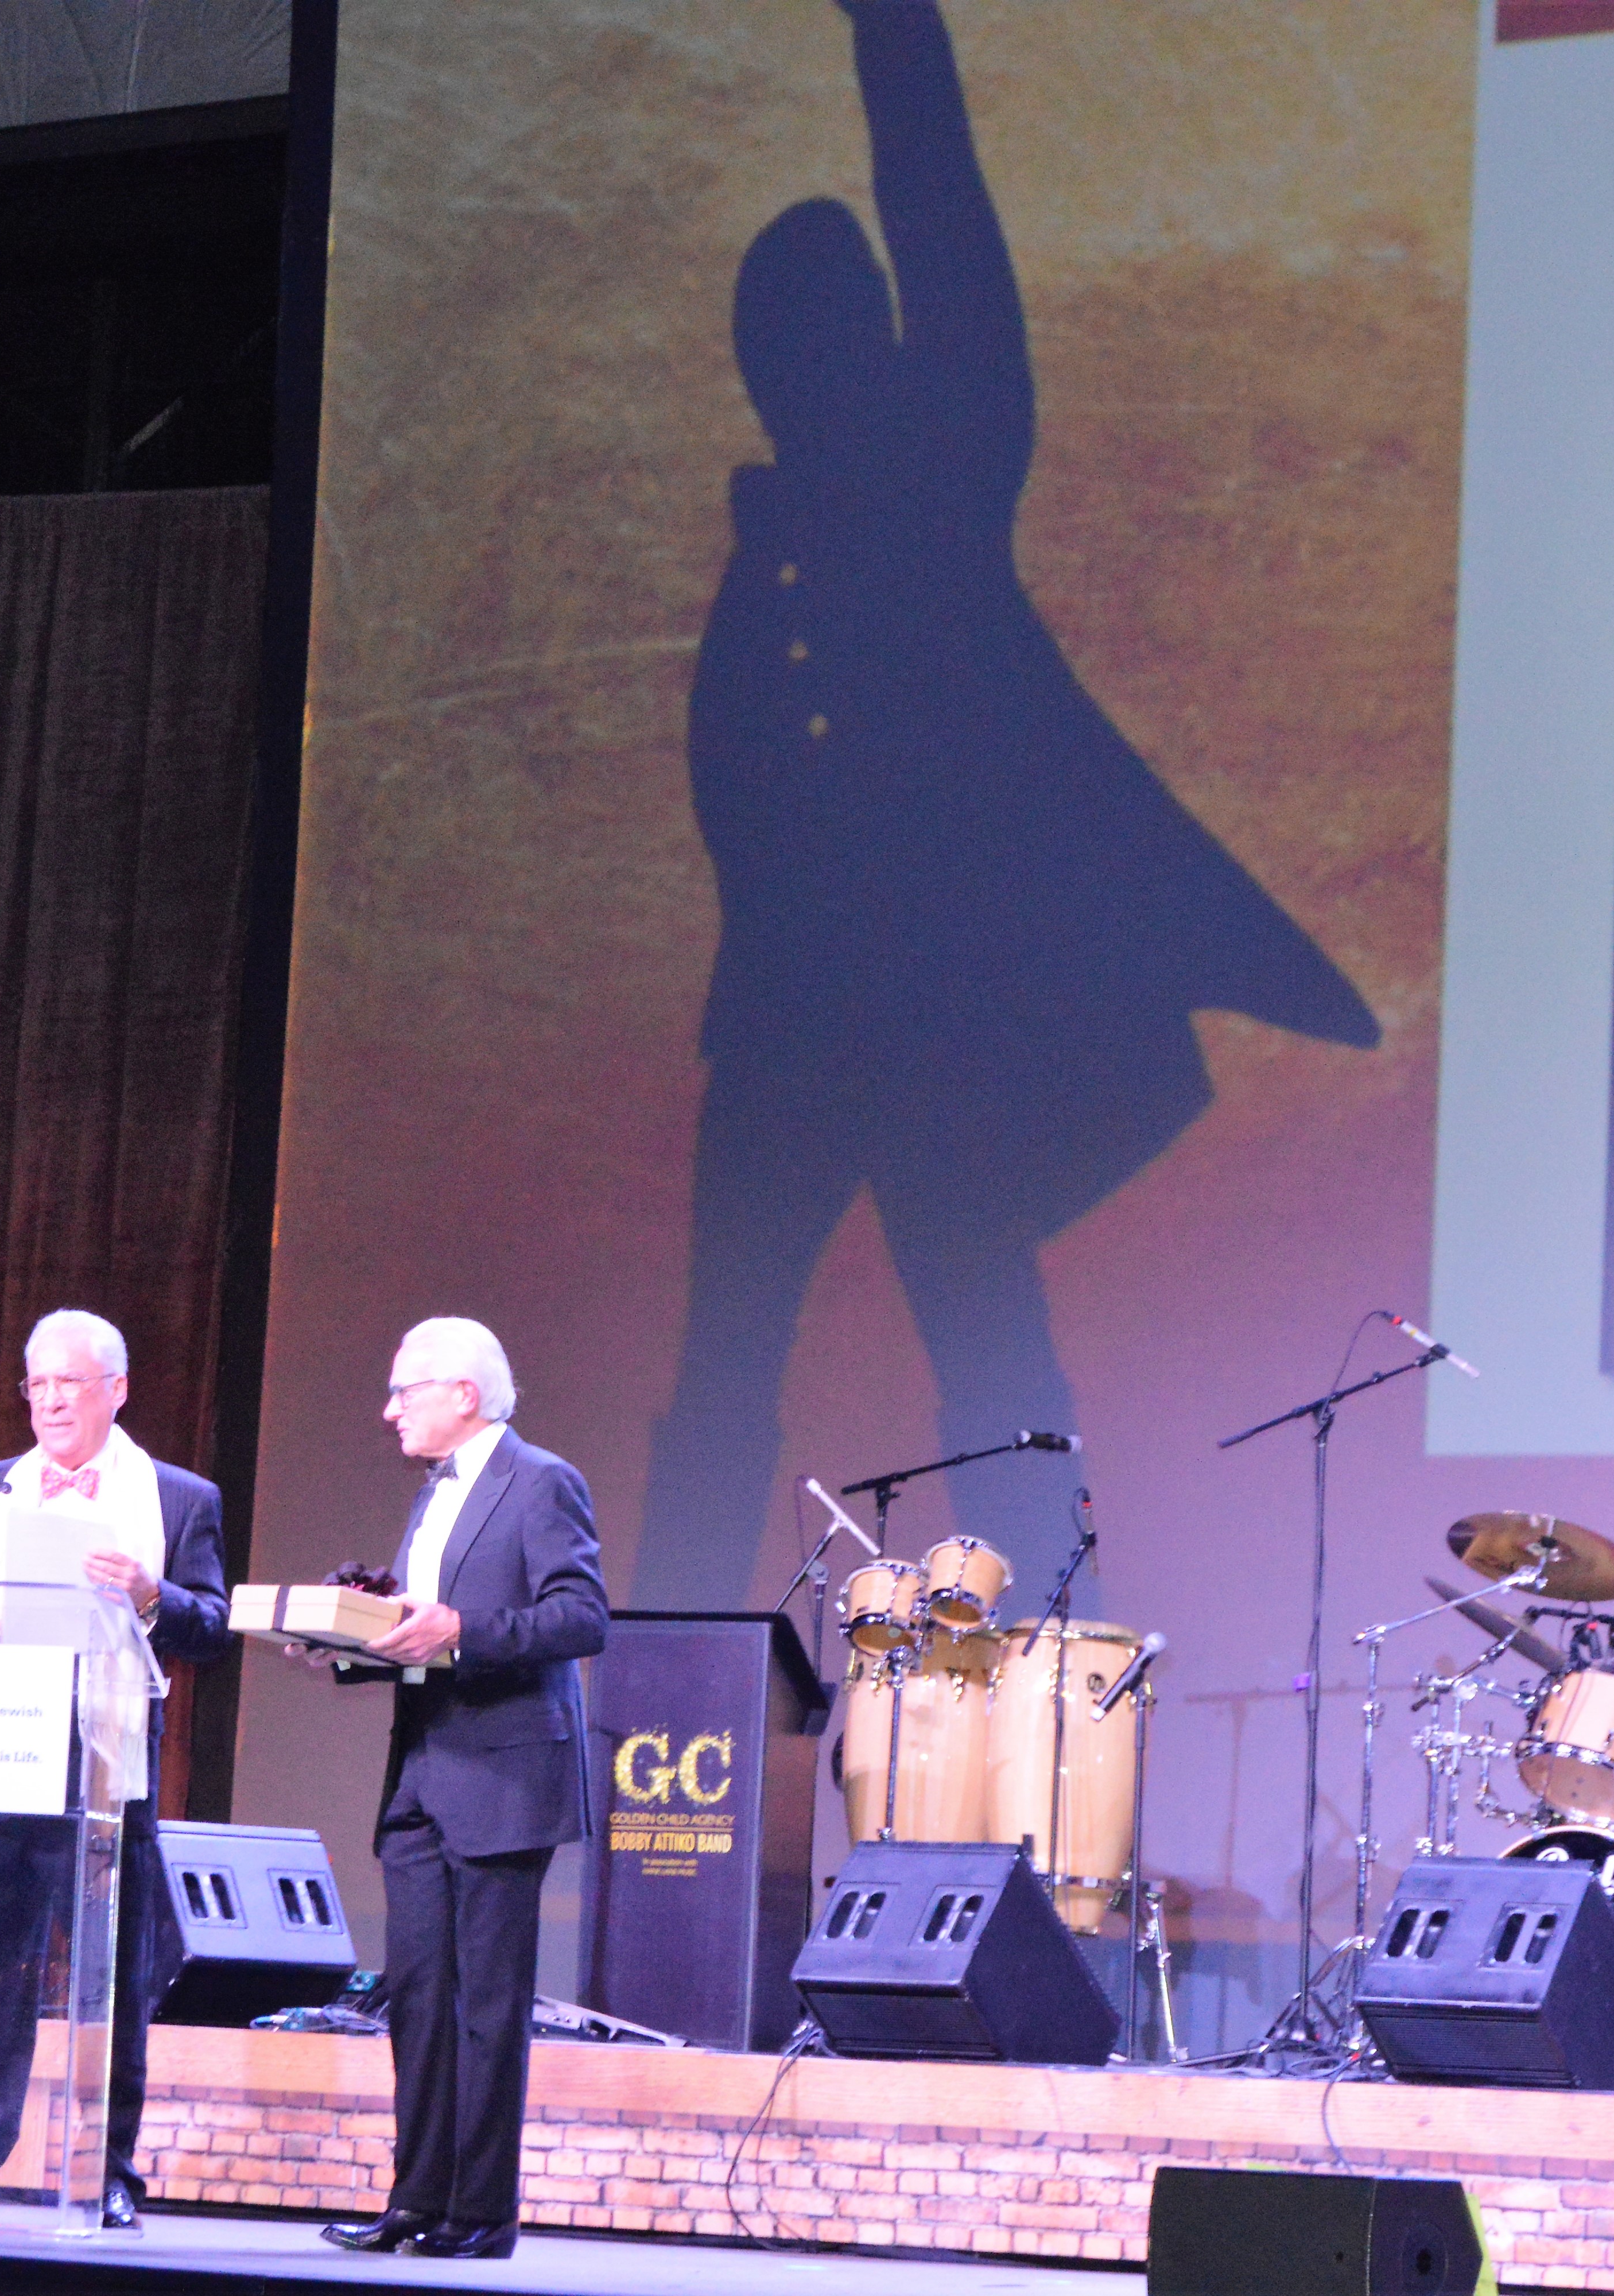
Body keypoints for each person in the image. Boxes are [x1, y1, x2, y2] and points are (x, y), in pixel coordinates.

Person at [635, 0, 1378, 1611]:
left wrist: (891, 23)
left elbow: (940, 206)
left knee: (988, 1358)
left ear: (872, 340)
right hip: (776, 1028)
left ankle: (1038, 1658)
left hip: (926, 1024)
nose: (800, 361)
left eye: (829, 326)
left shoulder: (946, 463)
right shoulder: (767, 545)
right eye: (782, 335)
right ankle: (669, 1673)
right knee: (722, 1373)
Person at [0, 1308, 231, 2229]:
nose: (48, 1402)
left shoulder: (178, 1496)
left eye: (68, 1384)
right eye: (35, 1385)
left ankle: (110, 2174)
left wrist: (152, 1593)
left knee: (112, 1980)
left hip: (107, 1764)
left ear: (115, 1390)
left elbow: (213, 1626)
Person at [312, 1317, 607, 2262]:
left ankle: (480, 2213)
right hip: (422, 1779)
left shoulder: (541, 1480)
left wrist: (460, 1631)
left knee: (487, 2007)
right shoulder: (433, 1496)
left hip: (504, 1776)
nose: (388, 1408)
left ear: (463, 1395)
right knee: (419, 2002)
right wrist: (344, 1642)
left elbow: (580, 1616)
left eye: (405, 1390)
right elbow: (418, 1632)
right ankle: (415, 2201)